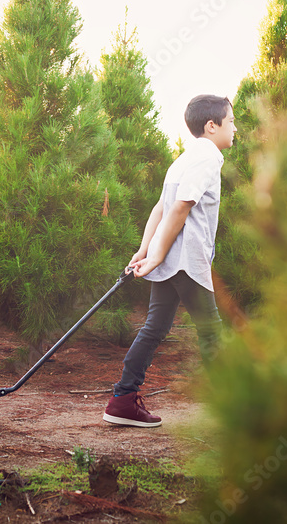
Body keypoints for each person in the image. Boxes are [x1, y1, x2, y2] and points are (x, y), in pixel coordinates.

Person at [104, 94, 236, 427]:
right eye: (231, 121)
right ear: (211, 126)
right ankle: (234, 411)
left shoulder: (184, 159)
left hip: (169, 258)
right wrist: (154, 254)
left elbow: (160, 208)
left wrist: (145, 249)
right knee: (211, 333)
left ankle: (122, 400)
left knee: (155, 328)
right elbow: (179, 207)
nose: (235, 128)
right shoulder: (208, 157)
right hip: (186, 259)